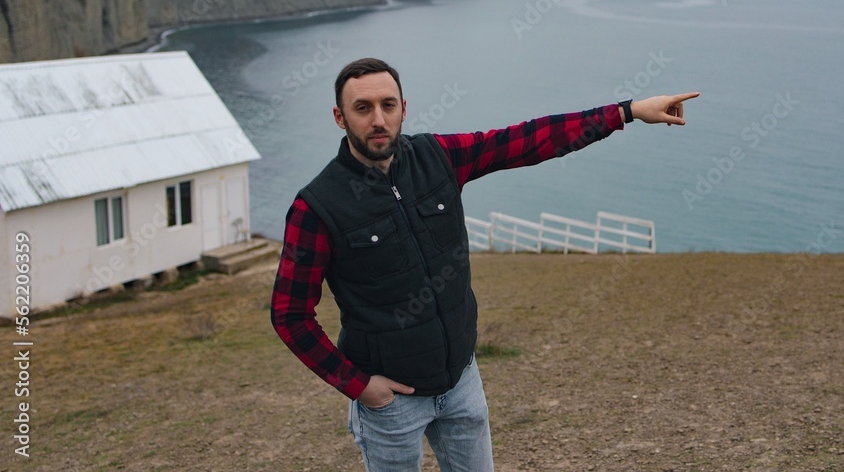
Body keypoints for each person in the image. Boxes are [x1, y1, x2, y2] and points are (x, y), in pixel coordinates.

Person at [271, 57, 699, 471]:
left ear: (404, 108)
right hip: (390, 403)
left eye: (388, 105)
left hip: (461, 382)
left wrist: (626, 112)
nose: (378, 120)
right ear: (339, 117)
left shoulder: (437, 157)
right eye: (362, 108)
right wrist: (359, 386)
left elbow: (528, 140)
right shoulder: (318, 207)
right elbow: (290, 315)